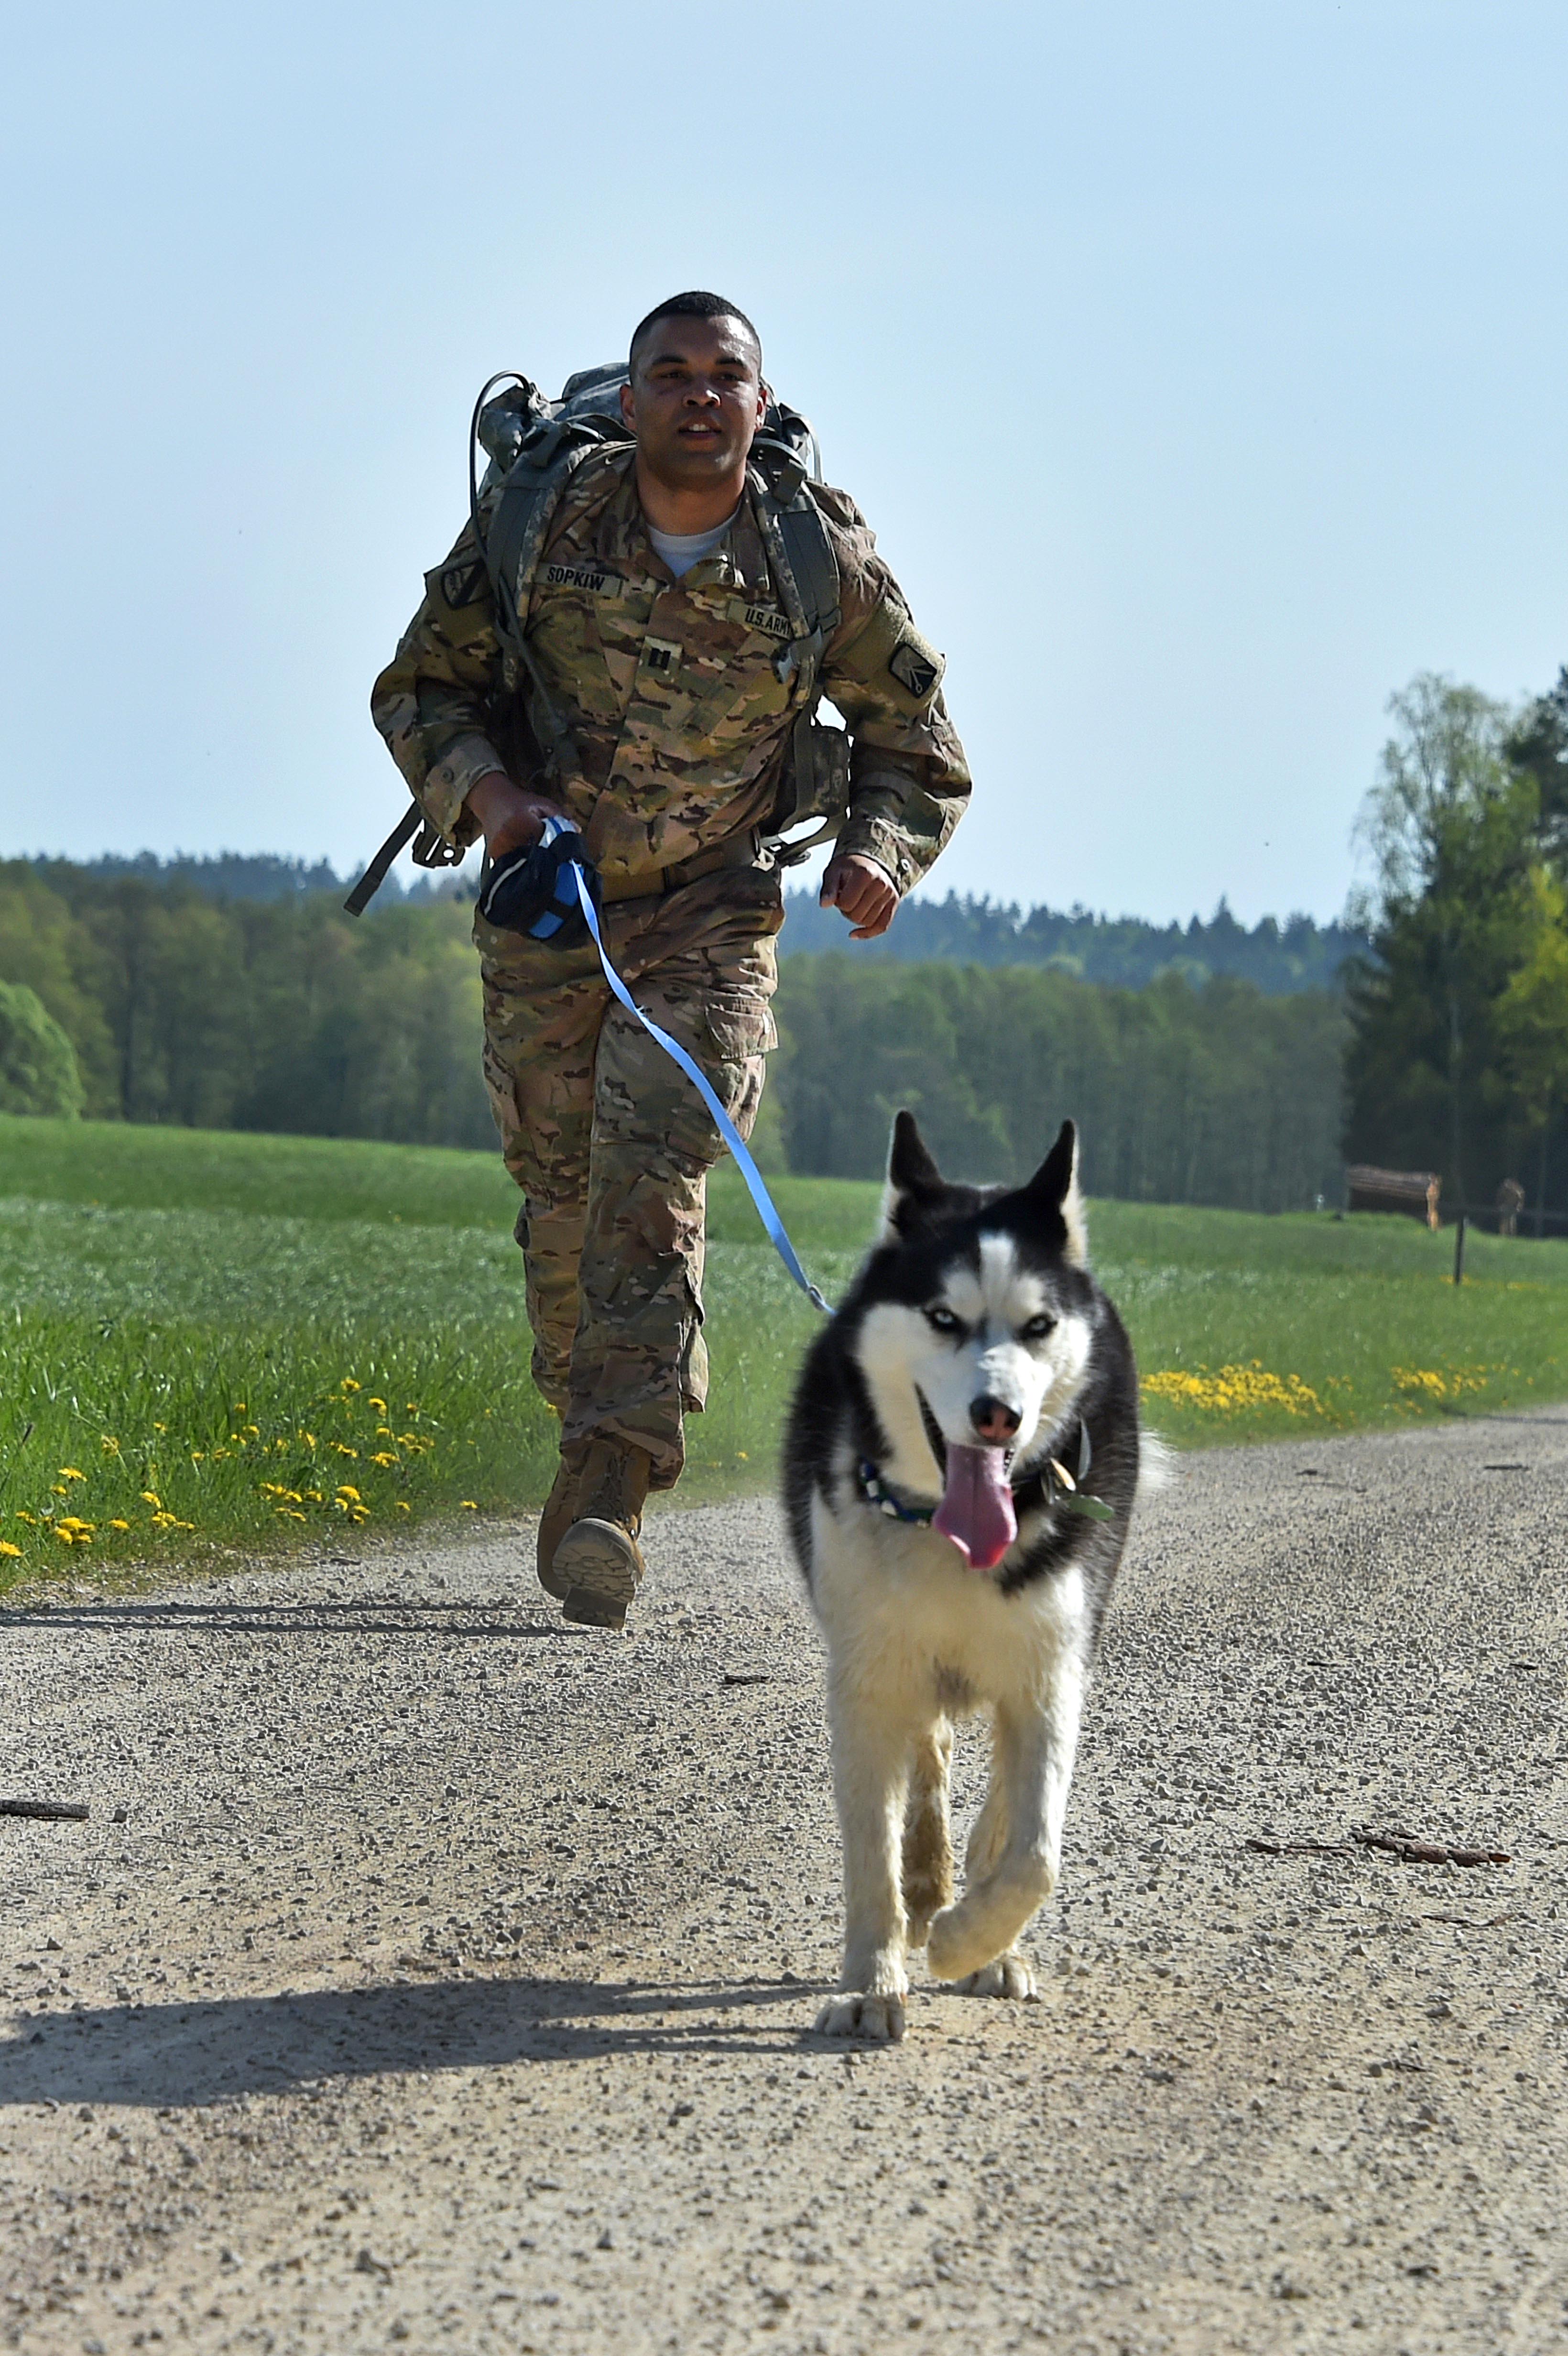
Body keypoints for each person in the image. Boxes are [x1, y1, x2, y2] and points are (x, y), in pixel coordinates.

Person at [371, 291, 970, 1630]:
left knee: (655, 1160)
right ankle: (588, 1425)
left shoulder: (817, 554)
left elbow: (920, 746)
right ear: (632, 401)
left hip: (712, 911)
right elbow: (420, 687)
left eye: (726, 376)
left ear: (761, 408)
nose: (701, 395)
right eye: (673, 374)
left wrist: (878, 848)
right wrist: (493, 802)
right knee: (566, 1192)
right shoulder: (540, 524)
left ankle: (610, 1493)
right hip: (552, 905)